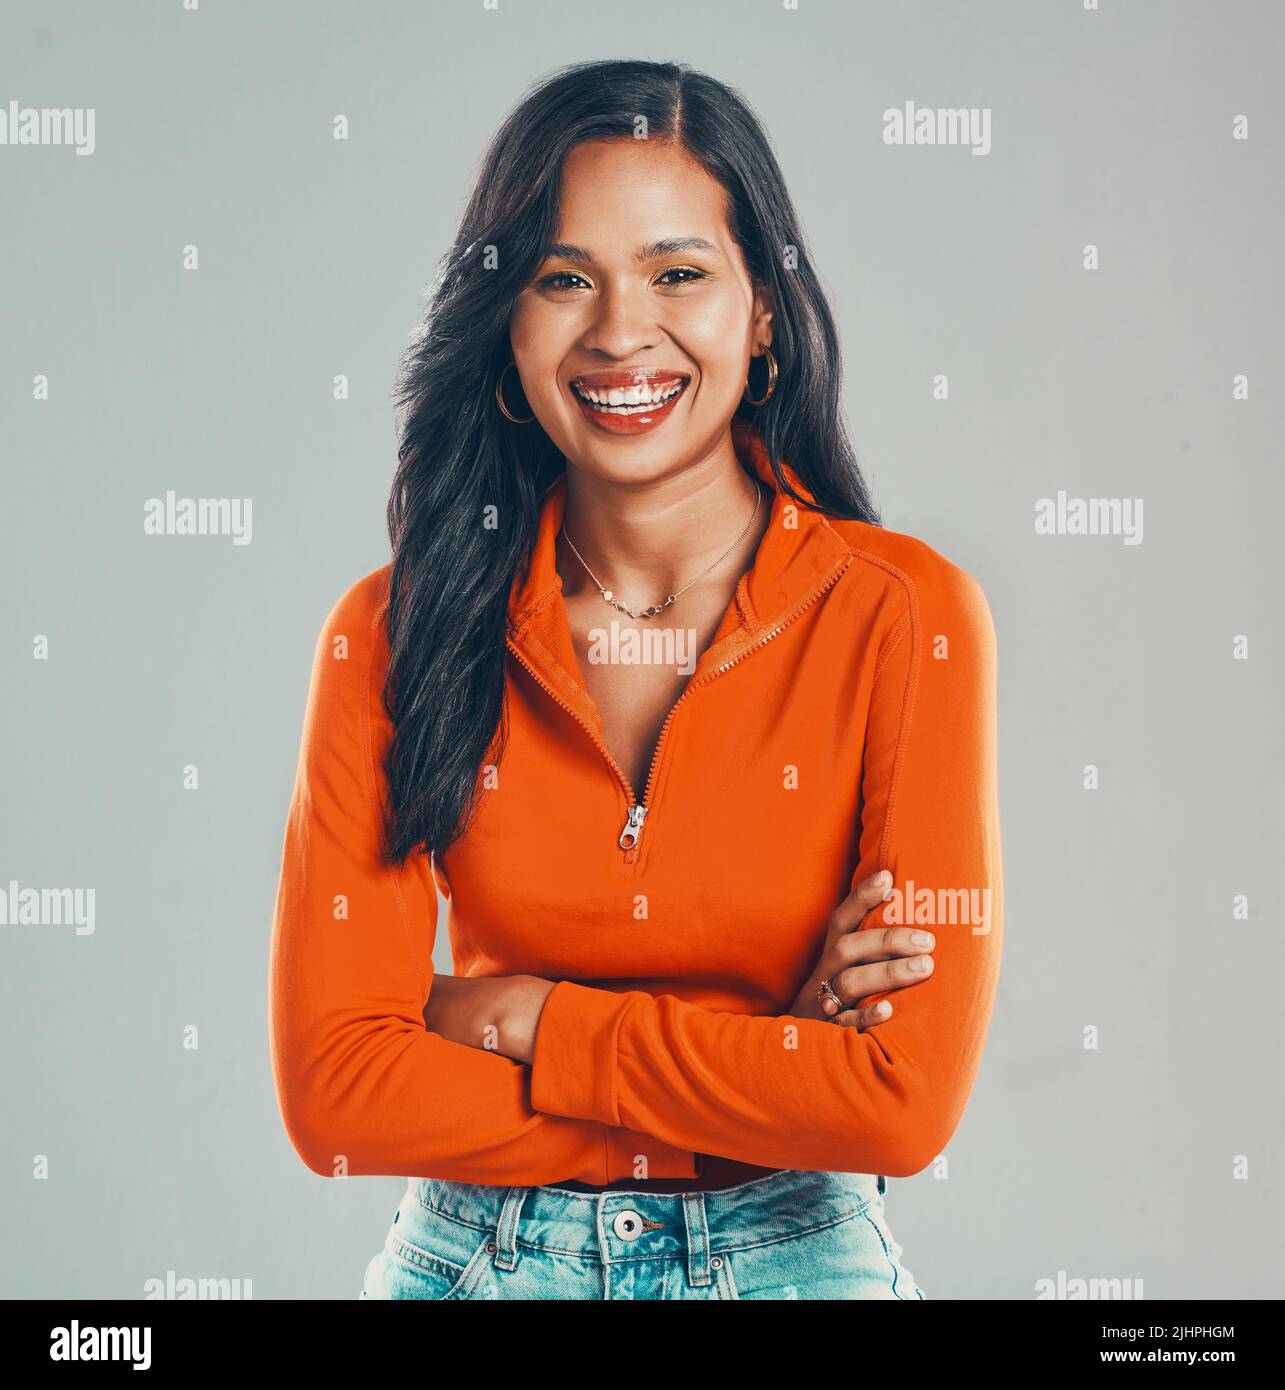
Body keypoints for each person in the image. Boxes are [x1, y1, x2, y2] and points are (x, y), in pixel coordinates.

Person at [269, 58, 1003, 1301]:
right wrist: (762, 1072)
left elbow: (896, 1104)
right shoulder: (391, 632)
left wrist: (521, 1017)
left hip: (797, 1262)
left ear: (762, 312)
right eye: (565, 279)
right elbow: (338, 1091)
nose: (619, 332)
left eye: (678, 273)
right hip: (478, 1263)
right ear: (506, 325)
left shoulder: (904, 615)